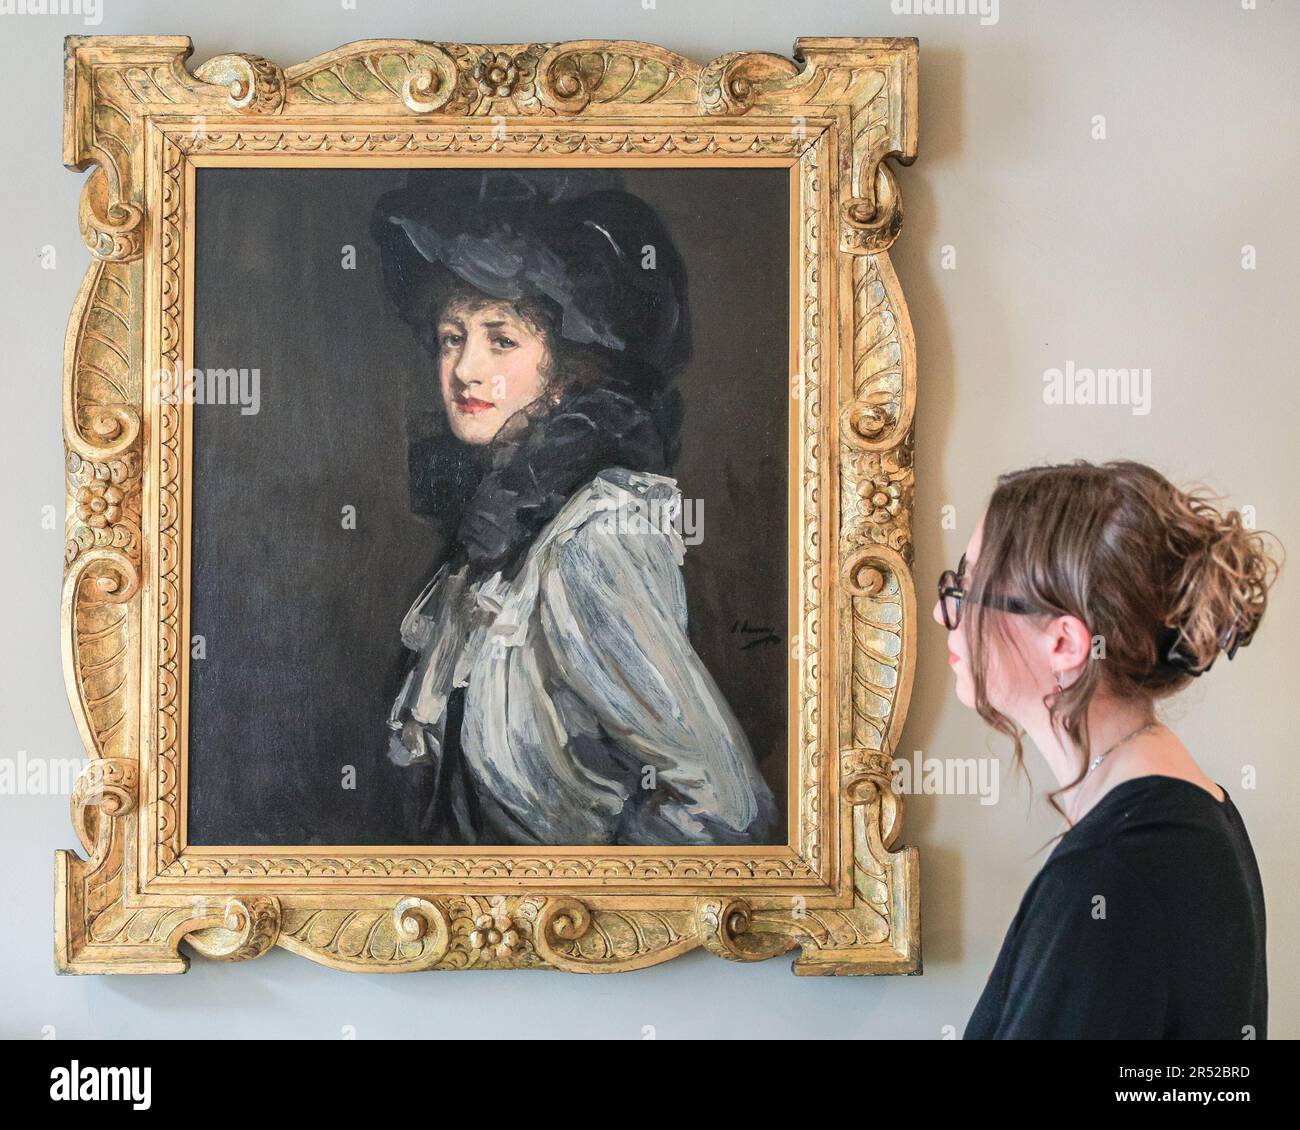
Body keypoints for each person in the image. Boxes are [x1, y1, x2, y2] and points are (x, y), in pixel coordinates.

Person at [370, 169, 778, 847]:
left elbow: (726, 810)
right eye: (451, 337)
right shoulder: (491, 547)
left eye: (501, 339)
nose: (465, 369)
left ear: (566, 372)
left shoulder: (592, 540)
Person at [937, 460, 1280, 1039]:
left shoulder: (1111, 872)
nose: (949, 613)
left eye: (969, 590)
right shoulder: (1194, 811)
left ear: (1066, 643)